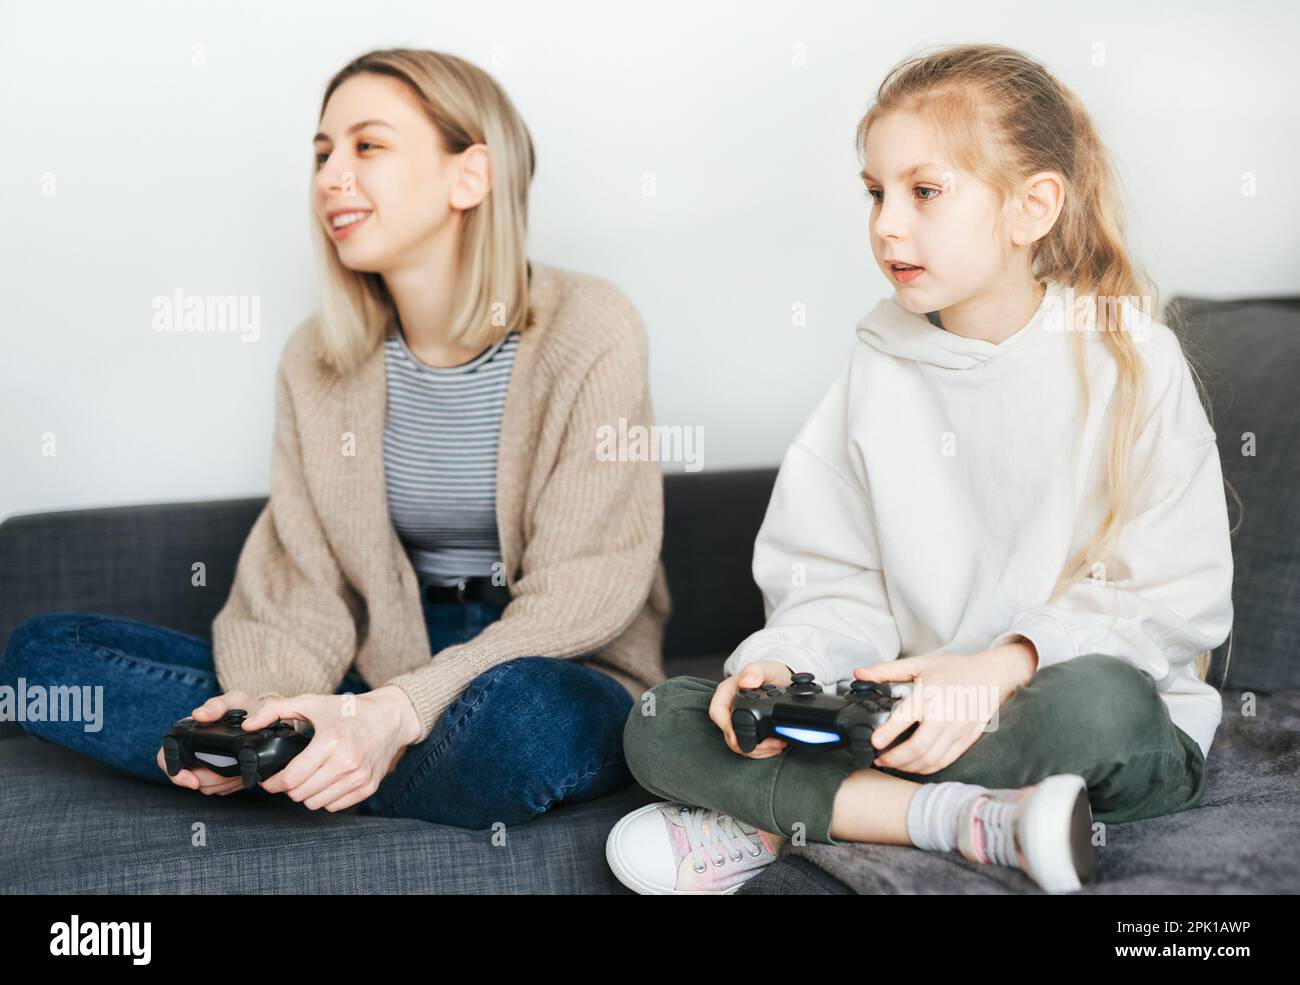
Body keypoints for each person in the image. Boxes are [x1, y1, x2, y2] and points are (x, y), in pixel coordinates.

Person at [607, 42, 1235, 895]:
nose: (885, 225)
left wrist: (997, 667)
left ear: (1032, 207)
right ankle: (968, 820)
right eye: (874, 193)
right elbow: (831, 577)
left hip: (1052, 714)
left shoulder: (1133, 363)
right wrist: (786, 663)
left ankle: (787, 810)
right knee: (660, 718)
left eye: (924, 192)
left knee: (1104, 704)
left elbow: (1173, 596)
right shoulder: (876, 367)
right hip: (902, 721)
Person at [1, 48, 671, 829]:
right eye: (321, 153)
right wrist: (266, 708)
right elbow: (300, 582)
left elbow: (584, 592)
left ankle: (317, 762)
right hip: (368, 666)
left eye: (367, 145)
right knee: (41, 656)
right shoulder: (314, 361)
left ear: (471, 175)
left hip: (551, 665)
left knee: (522, 724)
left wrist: (396, 710)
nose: (329, 176)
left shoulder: (592, 327)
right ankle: (321, 753)